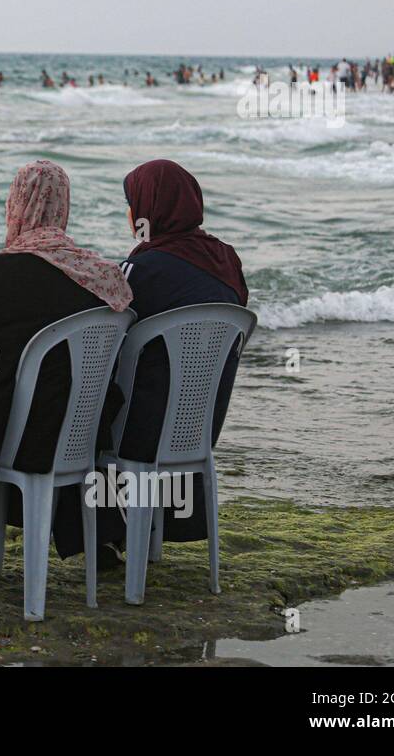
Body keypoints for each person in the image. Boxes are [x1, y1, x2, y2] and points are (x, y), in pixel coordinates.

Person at [0, 161, 133, 576]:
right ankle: (96, 535)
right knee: (39, 396)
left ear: (16, 204)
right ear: (63, 206)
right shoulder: (99, 277)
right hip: (78, 438)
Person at [99, 159, 248, 545]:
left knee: (85, 408)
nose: (129, 213)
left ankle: (103, 534)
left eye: (131, 203)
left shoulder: (140, 268)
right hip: (201, 427)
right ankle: (146, 529)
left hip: (142, 431)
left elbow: (106, 343)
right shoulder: (228, 260)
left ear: (149, 209)